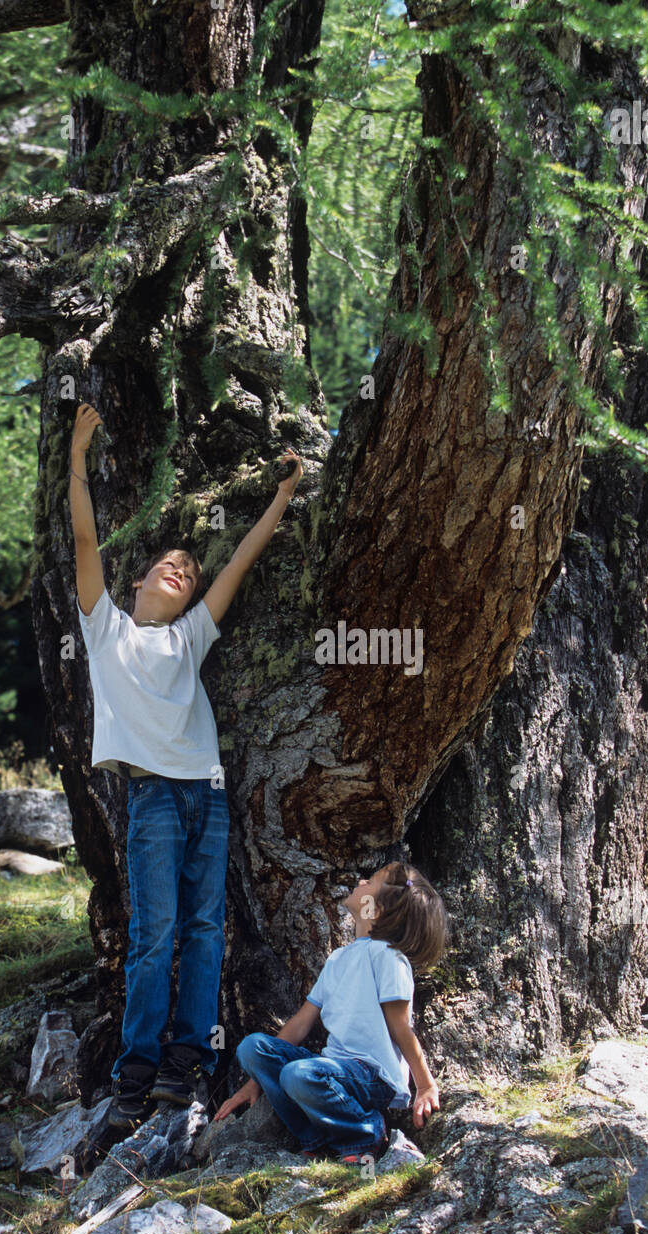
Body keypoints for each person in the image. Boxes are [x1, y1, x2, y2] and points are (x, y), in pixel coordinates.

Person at [69, 401, 303, 1131]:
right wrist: (77, 455)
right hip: (153, 801)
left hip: (208, 796)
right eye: (168, 564)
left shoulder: (191, 636)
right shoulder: (105, 628)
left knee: (204, 931)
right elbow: (84, 537)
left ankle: (185, 1064)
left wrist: (283, 497)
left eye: (188, 572)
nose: (180, 570)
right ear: (139, 581)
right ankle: (135, 1072)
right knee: (154, 937)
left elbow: (239, 561)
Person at [213, 861, 449, 1163]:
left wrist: (425, 1085)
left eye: (371, 881)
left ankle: (365, 1133)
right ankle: (314, 1138)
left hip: (372, 1074)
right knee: (252, 1048)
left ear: (375, 910)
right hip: (333, 1069)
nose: (361, 881)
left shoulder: (389, 957)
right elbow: (301, 1023)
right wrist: (254, 1080)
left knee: (299, 1074)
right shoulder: (338, 958)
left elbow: (401, 1028)